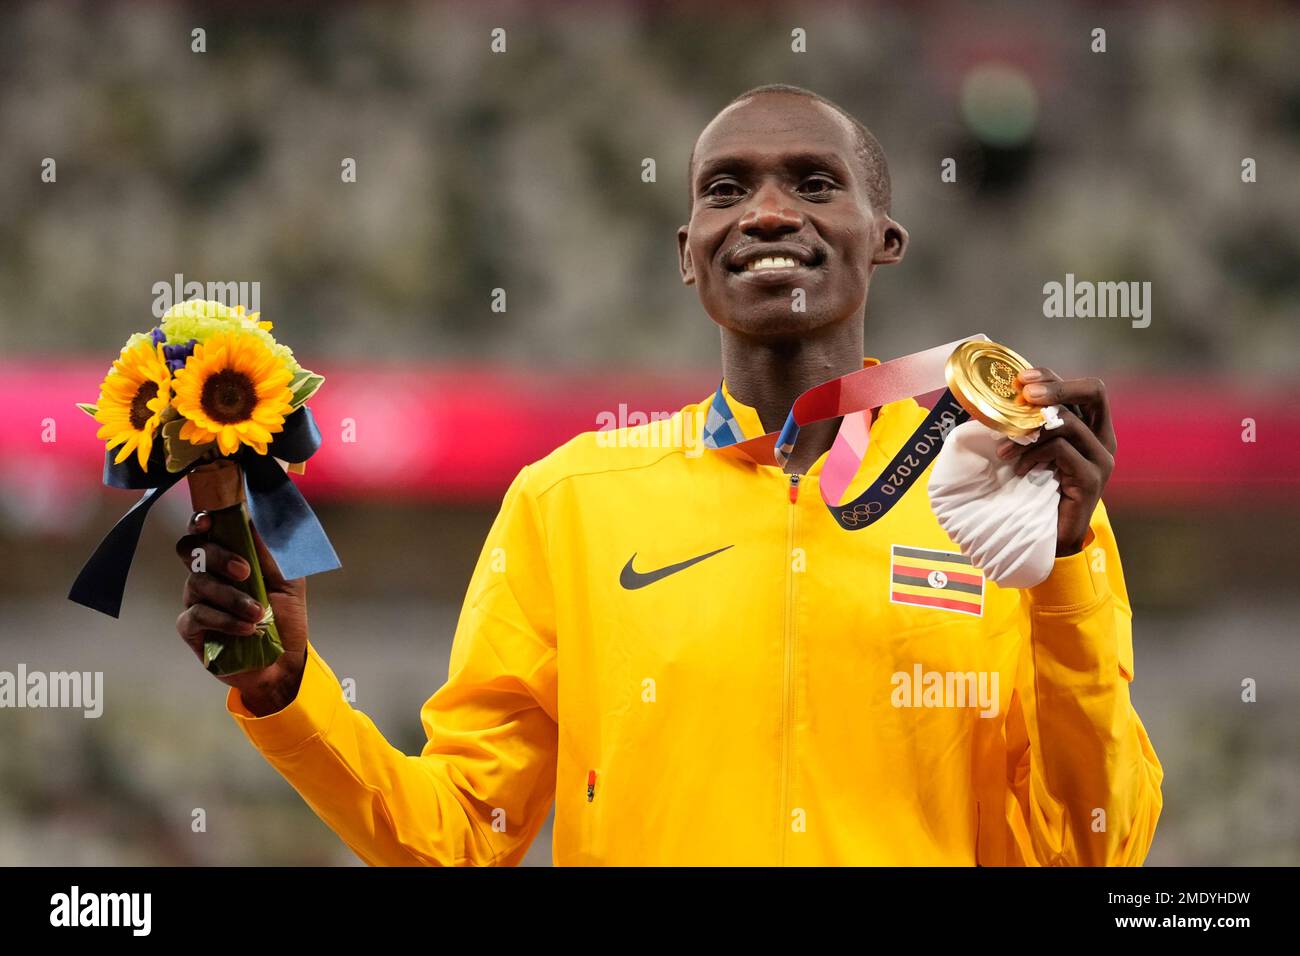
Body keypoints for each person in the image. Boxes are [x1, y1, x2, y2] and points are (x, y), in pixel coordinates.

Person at [175, 84, 1162, 866]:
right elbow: (459, 837)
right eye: (725, 189)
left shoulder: (1003, 493)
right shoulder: (569, 503)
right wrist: (285, 692)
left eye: (815, 183)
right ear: (686, 254)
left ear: (884, 240)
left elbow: (1092, 846)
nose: (767, 212)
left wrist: (1067, 561)